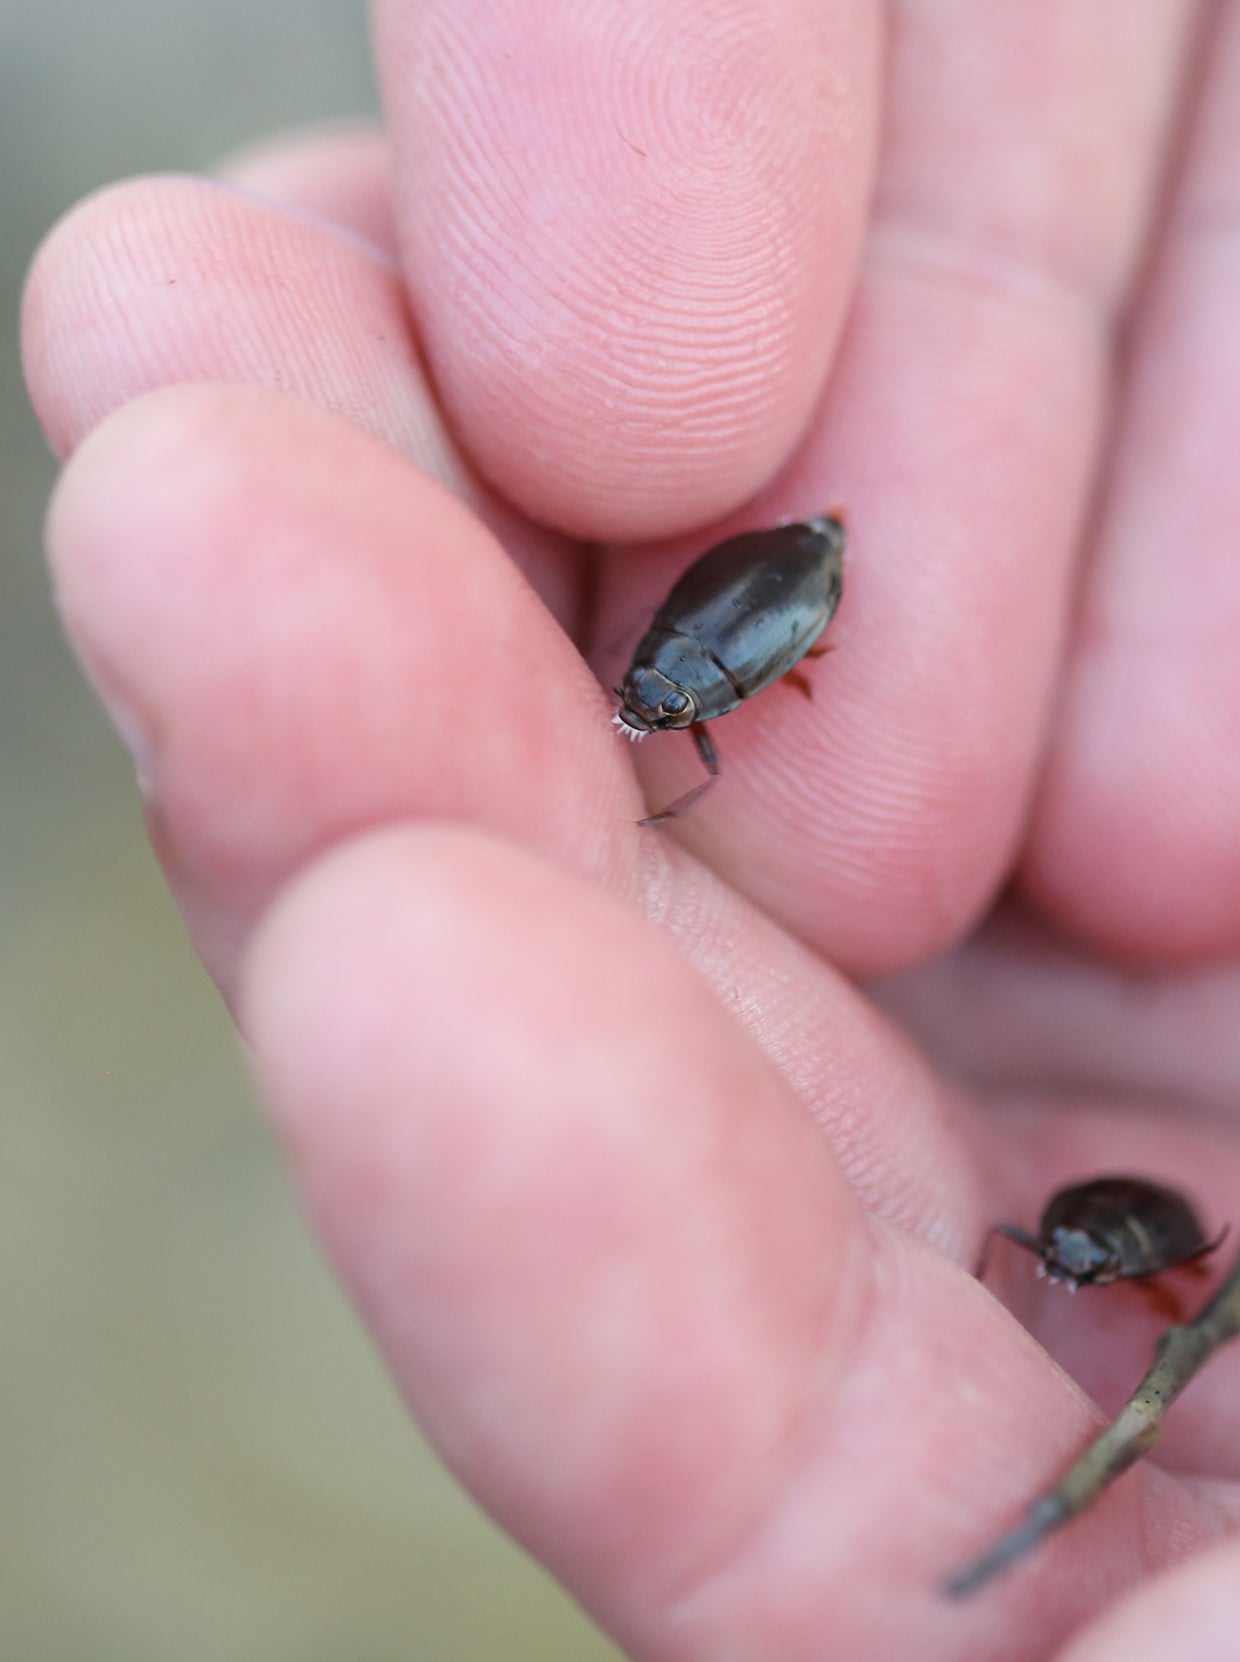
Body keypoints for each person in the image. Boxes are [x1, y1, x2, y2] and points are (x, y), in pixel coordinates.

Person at [22, 3, 1240, 1655]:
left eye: (658, 722)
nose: (652, 721)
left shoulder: (705, 686)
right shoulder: (677, 679)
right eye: (654, 716)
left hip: (774, 602)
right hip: (753, 608)